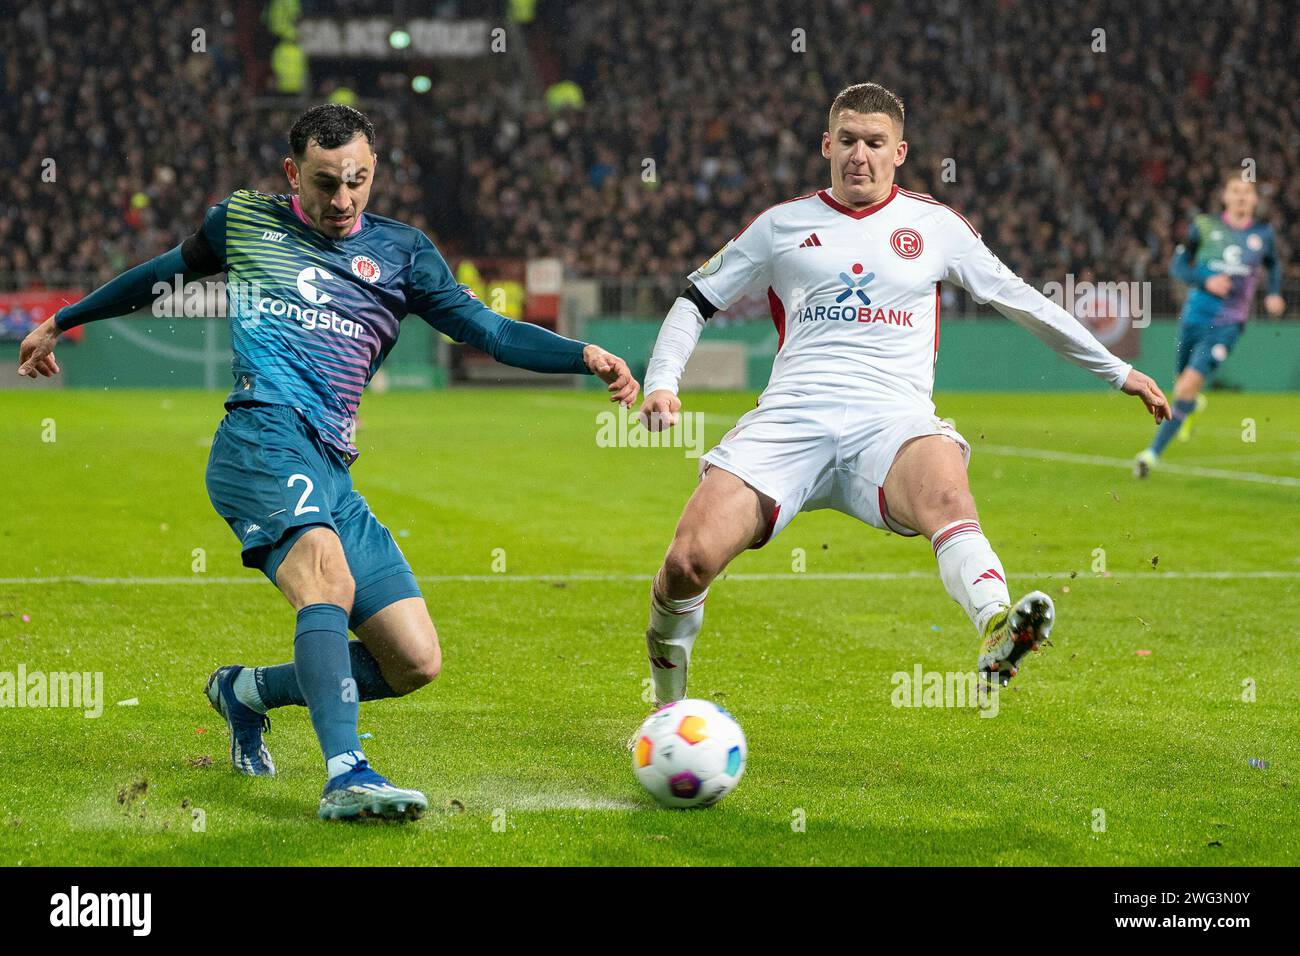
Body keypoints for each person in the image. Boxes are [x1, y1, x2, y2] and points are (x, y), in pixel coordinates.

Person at [18, 104, 640, 820]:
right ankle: (347, 773)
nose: (343, 200)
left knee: (413, 661)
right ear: (293, 174)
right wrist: (63, 319)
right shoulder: (245, 222)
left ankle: (245, 692)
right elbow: (161, 275)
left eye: (358, 181)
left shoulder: (405, 253)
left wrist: (582, 354)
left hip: (330, 467)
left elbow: (488, 330)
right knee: (327, 578)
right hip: (262, 435)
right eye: (325, 182)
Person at [635, 82, 1169, 710]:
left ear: (900, 152)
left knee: (946, 490)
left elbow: (1020, 299)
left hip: (892, 422)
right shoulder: (781, 226)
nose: (860, 154)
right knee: (686, 563)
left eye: (875, 143)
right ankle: (667, 711)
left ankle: (998, 626)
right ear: (826, 145)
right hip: (790, 418)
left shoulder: (934, 227)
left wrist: (1116, 370)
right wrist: (663, 383)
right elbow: (695, 300)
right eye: (849, 141)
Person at [1134, 171, 1285, 476]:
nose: (1241, 196)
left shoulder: (1263, 235)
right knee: (1182, 387)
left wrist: (1273, 293)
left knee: (1187, 385)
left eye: (1247, 191)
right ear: (1225, 196)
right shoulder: (1204, 226)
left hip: (1228, 323)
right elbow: (1178, 266)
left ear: (1255, 200)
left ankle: (1151, 454)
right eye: (1235, 190)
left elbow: (1274, 264)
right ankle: (1189, 409)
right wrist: (1206, 280)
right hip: (1193, 317)